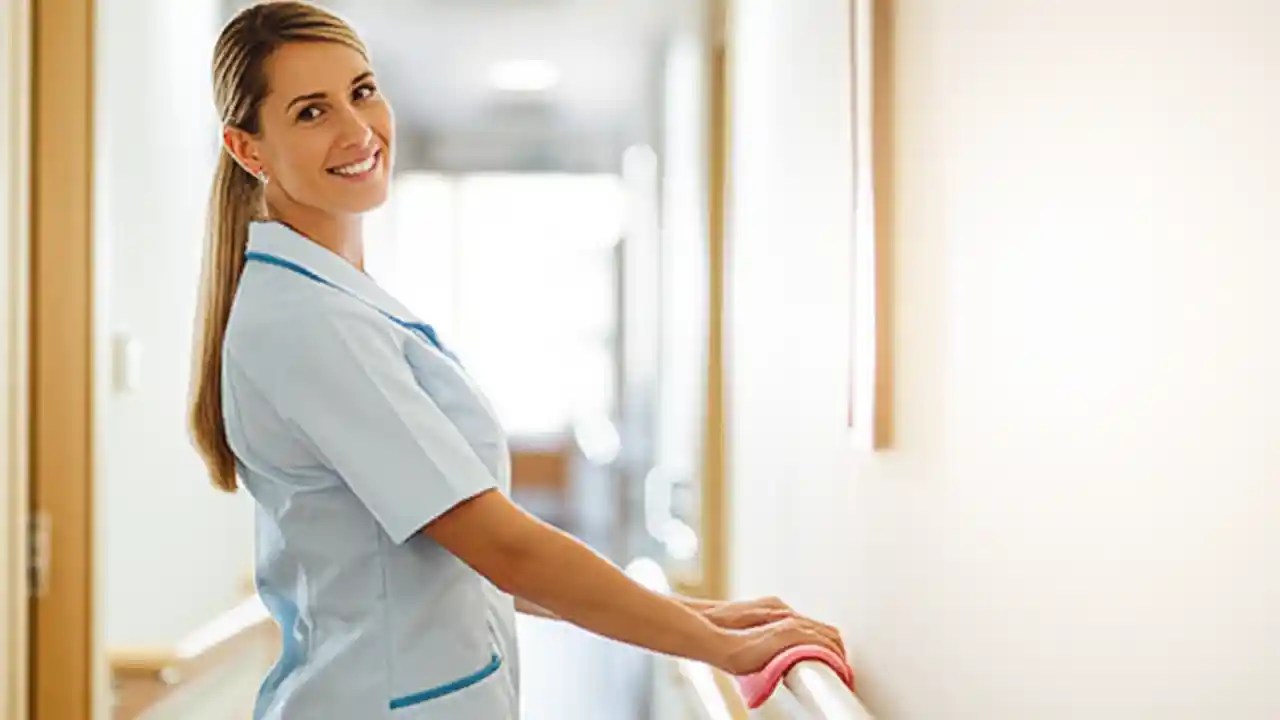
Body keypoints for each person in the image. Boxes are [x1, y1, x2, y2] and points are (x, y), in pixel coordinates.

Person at [187, 2, 846, 718]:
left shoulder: (340, 304)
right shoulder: (308, 323)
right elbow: (503, 547)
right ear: (248, 149)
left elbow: (472, 561)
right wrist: (715, 647)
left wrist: (707, 618)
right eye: (311, 112)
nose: (356, 129)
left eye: (363, 90)